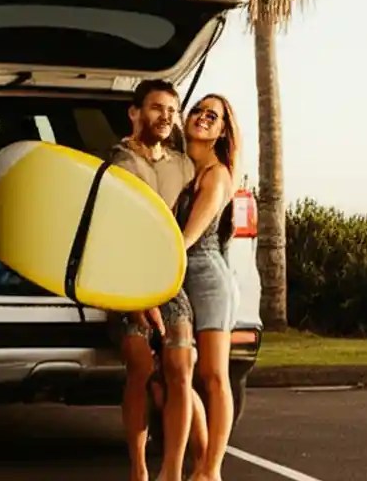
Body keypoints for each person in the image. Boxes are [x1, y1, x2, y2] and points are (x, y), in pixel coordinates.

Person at [107, 78, 206, 481]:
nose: (165, 116)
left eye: (171, 110)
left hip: (169, 277)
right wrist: (136, 297)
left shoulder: (184, 165)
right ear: (134, 113)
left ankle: (173, 471)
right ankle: (139, 470)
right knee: (141, 365)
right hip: (126, 278)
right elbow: (111, 232)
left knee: (182, 365)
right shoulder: (116, 162)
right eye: (155, 108)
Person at [172, 93, 242, 481]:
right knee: (174, 376)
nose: (201, 117)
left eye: (211, 116)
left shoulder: (216, 175)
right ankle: (202, 462)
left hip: (208, 278)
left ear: (221, 131)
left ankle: (211, 470)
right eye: (197, 110)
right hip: (180, 275)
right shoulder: (181, 167)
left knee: (214, 376)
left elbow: (188, 238)